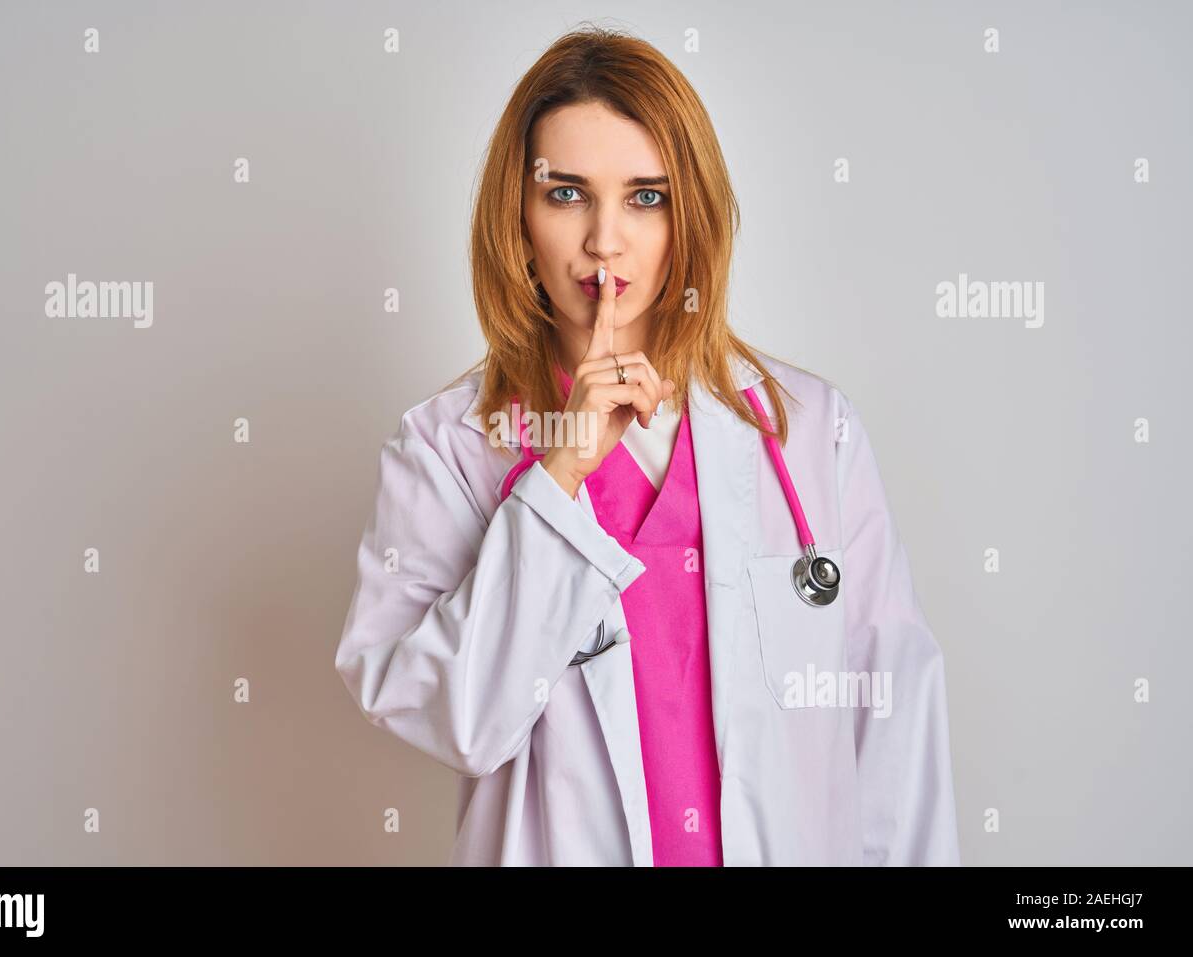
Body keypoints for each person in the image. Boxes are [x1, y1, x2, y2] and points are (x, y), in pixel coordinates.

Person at [335, 26, 960, 866]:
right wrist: (560, 477)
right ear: (516, 218)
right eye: (566, 195)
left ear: (688, 216)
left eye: (645, 196)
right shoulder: (449, 449)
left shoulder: (810, 430)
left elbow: (895, 722)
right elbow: (463, 718)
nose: (604, 239)